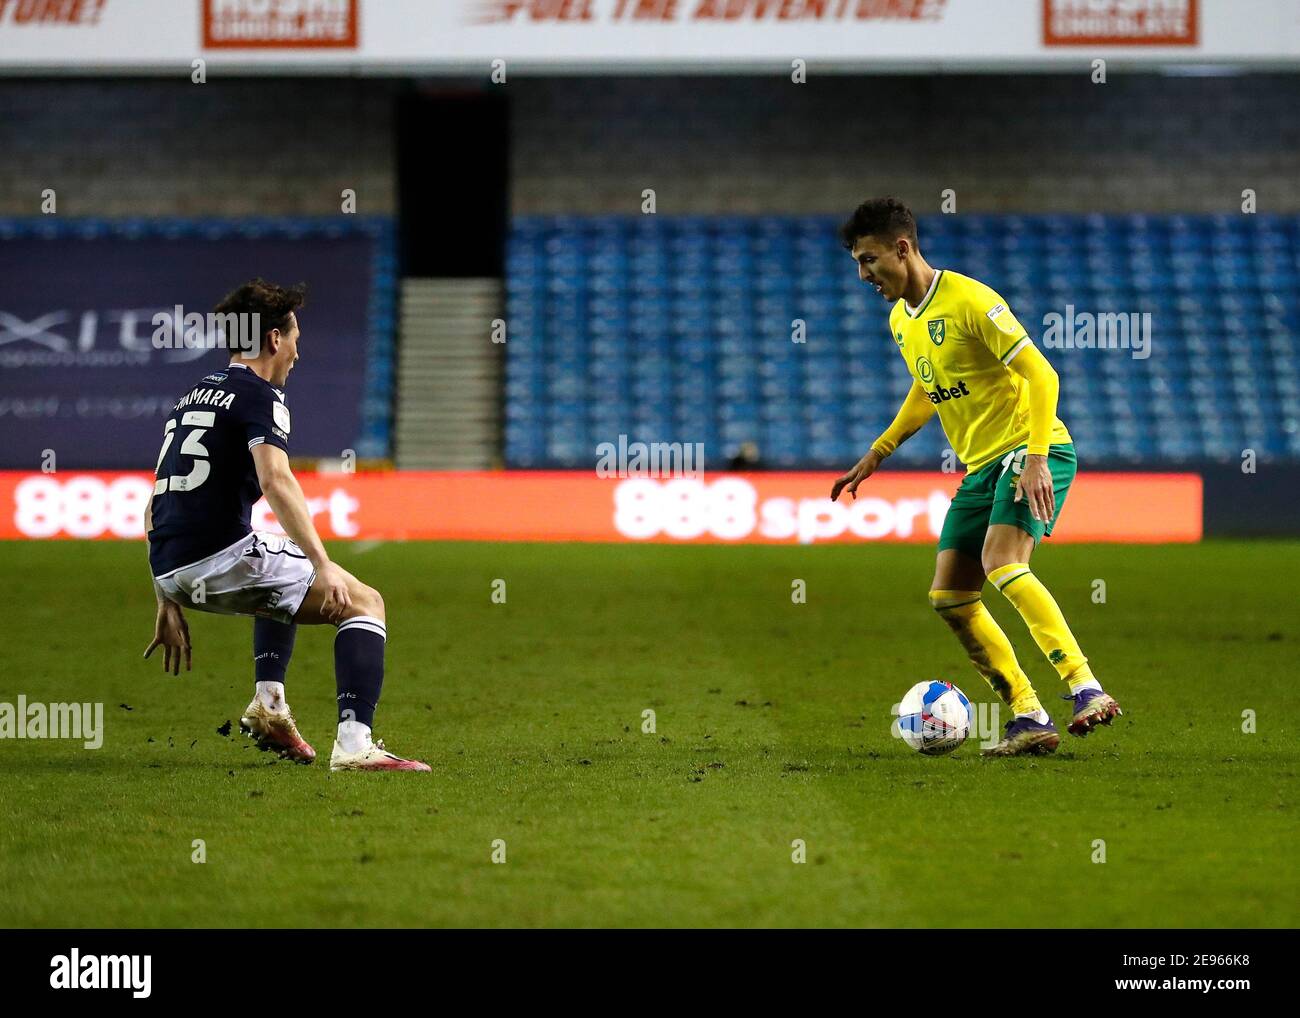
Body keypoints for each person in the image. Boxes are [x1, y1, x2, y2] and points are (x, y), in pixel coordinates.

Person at [832, 198, 1121, 756]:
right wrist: (878, 452)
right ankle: (1028, 716)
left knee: (1003, 563)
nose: (863, 275)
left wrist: (1036, 456)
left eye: (869, 261)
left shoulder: (971, 300)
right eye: (857, 264)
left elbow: (1042, 373)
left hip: (1030, 448)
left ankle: (1086, 686)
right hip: (981, 465)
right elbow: (928, 385)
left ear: (903, 248)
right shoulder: (901, 319)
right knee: (951, 596)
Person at [142, 279, 429, 772]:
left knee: (272, 566)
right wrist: (325, 564)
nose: (298, 350)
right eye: (295, 335)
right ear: (274, 339)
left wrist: (165, 595)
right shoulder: (261, 397)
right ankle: (355, 745)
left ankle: (270, 705)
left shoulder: (190, 397)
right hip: (218, 559)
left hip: (171, 567)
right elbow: (275, 480)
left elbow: (154, 501)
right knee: (365, 602)